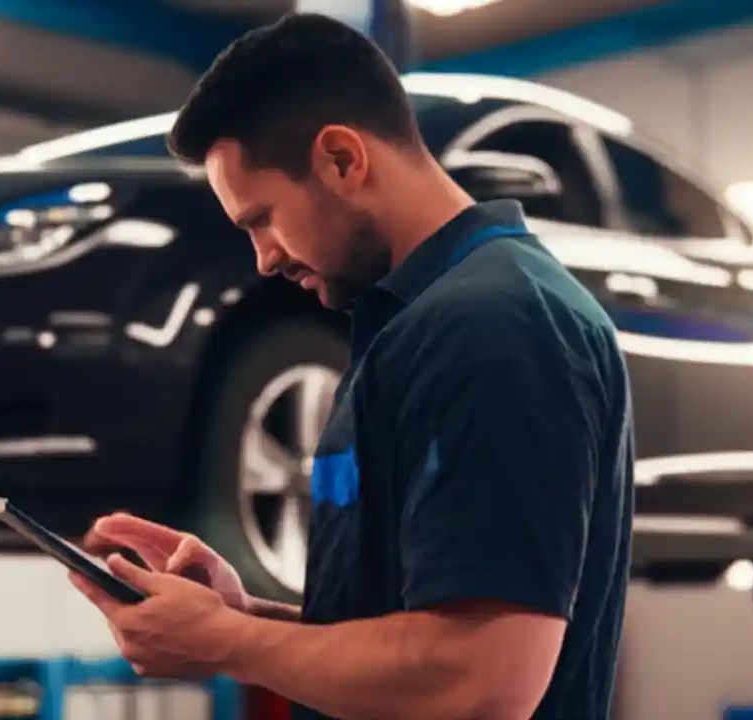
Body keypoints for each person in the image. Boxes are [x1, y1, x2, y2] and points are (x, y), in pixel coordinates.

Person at [70, 13, 635, 719]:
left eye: (261, 218)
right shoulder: (416, 327)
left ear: (341, 158)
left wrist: (230, 641)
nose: (264, 258)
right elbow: (412, 635)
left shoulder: (494, 323)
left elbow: (483, 678)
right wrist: (239, 619)